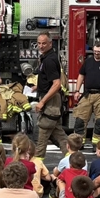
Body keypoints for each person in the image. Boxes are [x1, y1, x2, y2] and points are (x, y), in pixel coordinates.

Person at [72, 40, 100, 147]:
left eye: (99, 52)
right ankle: (78, 143)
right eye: (95, 51)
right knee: (80, 120)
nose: (96, 53)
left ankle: (98, 145)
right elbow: (81, 76)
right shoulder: (88, 61)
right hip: (87, 94)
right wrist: (77, 91)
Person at [33, 31, 68, 159]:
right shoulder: (46, 58)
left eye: (44, 43)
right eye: (39, 43)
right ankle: (73, 159)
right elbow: (49, 80)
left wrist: (42, 102)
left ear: (50, 43)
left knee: (43, 133)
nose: (41, 46)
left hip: (50, 102)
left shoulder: (49, 61)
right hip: (51, 100)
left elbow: (57, 84)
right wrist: (38, 86)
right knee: (59, 135)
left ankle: (37, 164)